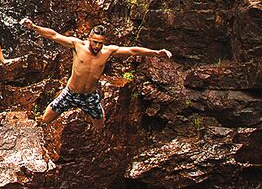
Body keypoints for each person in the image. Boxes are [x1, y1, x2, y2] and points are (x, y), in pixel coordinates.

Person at [25, 21, 172, 123]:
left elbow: (132, 50)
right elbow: (54, 35)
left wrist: (157, 53)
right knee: (45, 119)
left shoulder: (108, 51)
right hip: (71, 93)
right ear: (89, 38)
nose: (97, 46)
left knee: (100, 125)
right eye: (94, 42)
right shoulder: (78, 45)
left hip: (90, 96)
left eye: (100, 43)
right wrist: (33, 27)